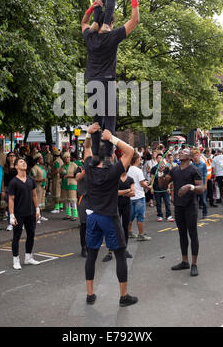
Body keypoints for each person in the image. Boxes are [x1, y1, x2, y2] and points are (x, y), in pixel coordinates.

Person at [81, 0, 140, 167]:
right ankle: (107, 156)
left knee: (97, 120)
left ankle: (96, 155)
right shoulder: (111, 36)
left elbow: (83, 22)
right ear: (111, 23)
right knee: (109, 120)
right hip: (106, 83)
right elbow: (134, 21)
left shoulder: (89, 37)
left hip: (91, 83)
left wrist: (91, 9)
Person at [83, 123, 137, 307]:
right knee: (120, 254)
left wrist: (89, 133)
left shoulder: (89, 169)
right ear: (111, 156)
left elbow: (87, 148)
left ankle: (90, 294)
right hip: (109, 217)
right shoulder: (112, 171)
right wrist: (111, 138)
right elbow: (130, 151)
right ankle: (124, 296)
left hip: (92, 217)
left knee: (92, 255)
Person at [158, 148, 205, 277]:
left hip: (190, 206)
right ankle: (185, 261)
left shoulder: (194, 170)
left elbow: (201, 189)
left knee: (193, 234)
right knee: (182, 234)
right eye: (180, 152)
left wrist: (190, 187)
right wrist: (160, 173)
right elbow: (162, 185)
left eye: (184, 152)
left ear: (190, 156)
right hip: (178, 206)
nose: (181, 153)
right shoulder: (174, 170)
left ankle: (194, 264)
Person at [8, 157, 41, 270]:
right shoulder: (13, 182)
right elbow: (11, 199)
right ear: (16, 166)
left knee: (31, 234)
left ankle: (28, 257)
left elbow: (34, 195)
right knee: (16, 237)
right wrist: (11, 215)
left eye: (24, 161)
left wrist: (37, 209)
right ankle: (16, 260)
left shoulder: (31, 180)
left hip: (30, 212)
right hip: (18, 213)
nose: (24, 163)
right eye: (21, 162)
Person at [102, 166, 135, 262]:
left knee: (125, 228)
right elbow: (113, 192)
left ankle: (124, 250)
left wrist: (122, 193)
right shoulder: (115, 179)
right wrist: (126, 191)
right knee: (113, 228)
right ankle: (110, 252)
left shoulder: (130, 179)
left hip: (127, 206)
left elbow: (133, 193)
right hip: (115, 206)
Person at [127, 152, 151, 241]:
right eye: (139, 158)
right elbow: (142, 183)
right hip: (139, 197)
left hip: (130, 196)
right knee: (140, 217)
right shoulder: (138, 171)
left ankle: (129, 232)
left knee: (130, 216)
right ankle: (141, 234)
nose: (140, 160)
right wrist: (148, 186)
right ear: (137, 159)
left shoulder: (128, 170)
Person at [150, 154, 174, 222]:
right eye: (158, 158)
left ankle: (168, 215)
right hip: (157, 188)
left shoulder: (166, 168)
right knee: (158, 203)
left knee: (167, 202)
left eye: (161, 158)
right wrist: (151, 188)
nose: (159, 159)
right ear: (156, 159)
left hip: (165, 188)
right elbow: (152, 178)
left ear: (162, 159)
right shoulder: (154, 168)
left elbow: (168, 179)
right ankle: (159, 215)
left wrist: (169, 187)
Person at [31, 154, 48, 223]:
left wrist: (46, 184)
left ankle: (40, 215)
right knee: (37, 201)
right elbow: (32, 178)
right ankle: (36, 216)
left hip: (42, 187)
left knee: (42, 200)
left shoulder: (42, 167)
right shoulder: (34, 168)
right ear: (37, 160)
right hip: (37, 187)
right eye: (41, 159)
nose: (42, 160)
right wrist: (41, 180)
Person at [192, 149, 208, 219]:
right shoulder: (191, 165)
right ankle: (195, 214)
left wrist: (205, 185)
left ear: (199, 156)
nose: (196, 157)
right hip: (194, 185)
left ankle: (205, 213)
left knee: (203, 200)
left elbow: (205, 175)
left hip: (202, 184)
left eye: (197, 155)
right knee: (194, 201)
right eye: (194, 155)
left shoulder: (203, 164)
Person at [4, 151, 18, 231]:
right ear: (8, 158)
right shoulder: (5, 168)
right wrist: (3, 190)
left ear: (16, 157)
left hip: (18, 189)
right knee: (10, 207)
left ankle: (18, 222)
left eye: (13, 155)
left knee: (18, 206)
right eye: (10, 155)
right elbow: (3, 180)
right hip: (9, 189)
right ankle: (10, 223)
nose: (12, 157)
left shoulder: (18, 167)